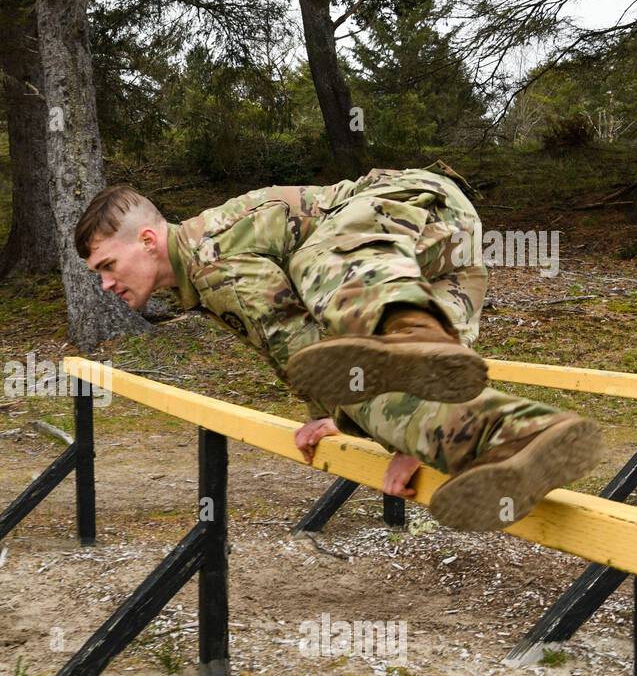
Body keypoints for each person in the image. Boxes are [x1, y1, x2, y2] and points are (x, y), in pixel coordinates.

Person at [75, 165, 603, 531]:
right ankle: (527, 437)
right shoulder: (203, 273)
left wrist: (339, 416)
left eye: (107, 267)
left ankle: (413, 336)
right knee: (392, 392)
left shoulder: (212, 256)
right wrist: (399, 438)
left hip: (406, 209)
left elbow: (294, 342)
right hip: (436, 263)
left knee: (318, 263)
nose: (106, 286)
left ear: (147, 242)